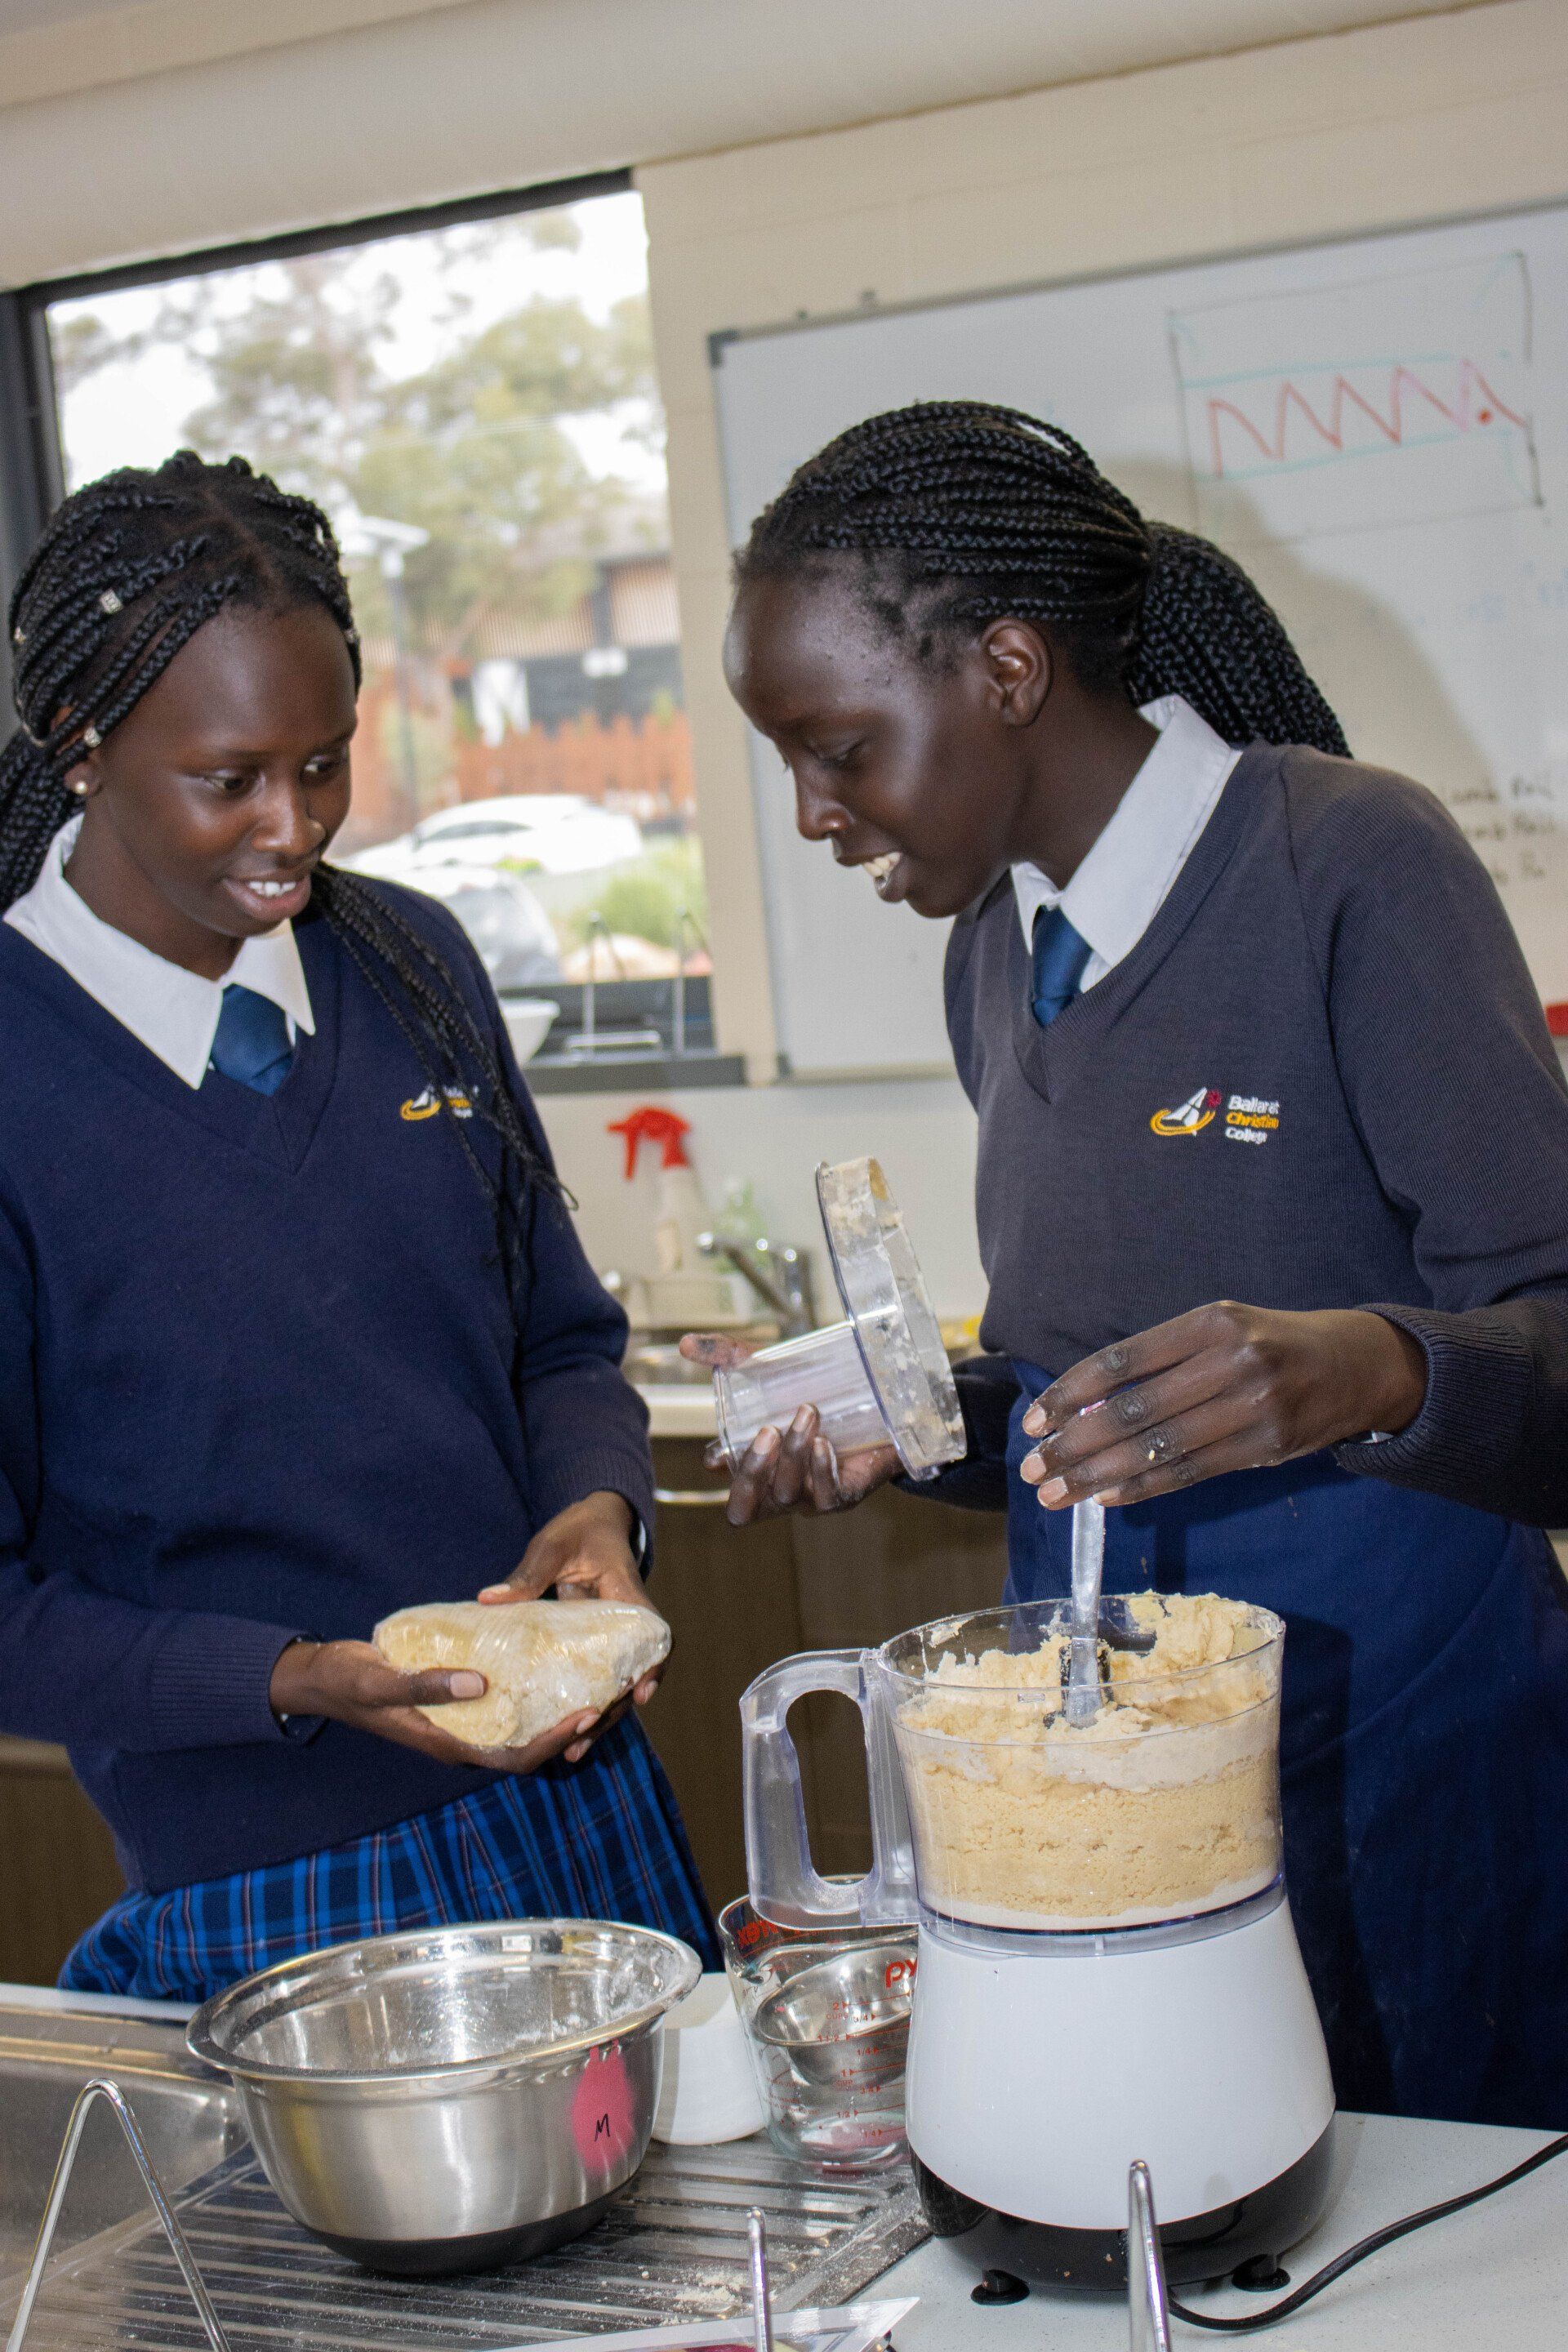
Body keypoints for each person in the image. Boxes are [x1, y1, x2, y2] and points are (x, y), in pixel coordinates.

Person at [697, 400, 1568, 2128]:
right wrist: (921, 1423)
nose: (810, 812)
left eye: (840, 748)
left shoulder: (1345, 864)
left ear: (1007, 668)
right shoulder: (995, 952)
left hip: (1407, 1770)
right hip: (1115, 1789)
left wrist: (1372, 1369)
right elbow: (1086, 1395)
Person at [0, 452, 717, 2002]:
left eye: (324, 766)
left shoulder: (410, 963)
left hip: (579, 1803)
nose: (294, 827)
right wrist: (297, 1683)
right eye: (232, 777)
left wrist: (598, 1507)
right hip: (270, 1879)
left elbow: (563, 1341)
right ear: (78, 741)